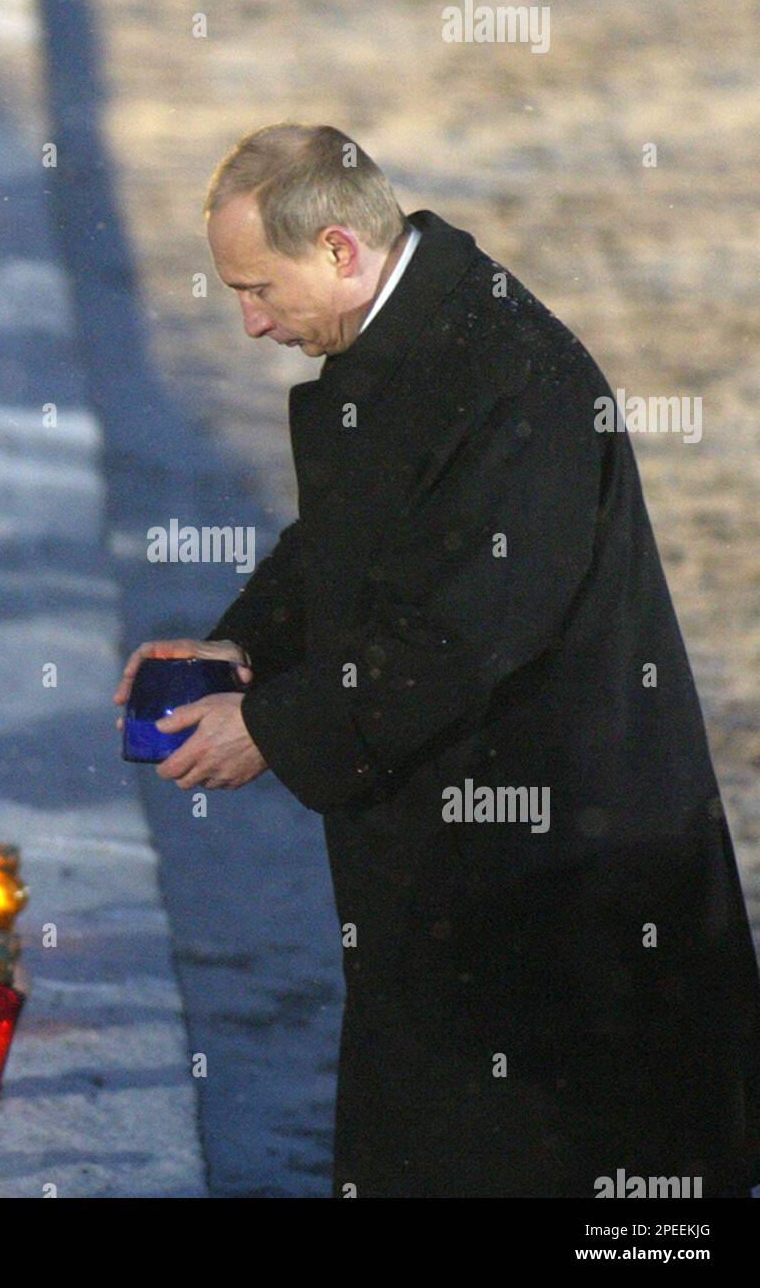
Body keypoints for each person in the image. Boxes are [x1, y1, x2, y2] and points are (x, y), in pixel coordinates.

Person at [113, 123, 760, 1197]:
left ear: (335, 248)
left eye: (256, 288)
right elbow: (347, 542)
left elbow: (456, 633)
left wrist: (270, 728)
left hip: (560, 881)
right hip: (461, 880)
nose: (248, 322)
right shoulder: (404, 337)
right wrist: (244, 644)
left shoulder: (514, 382)